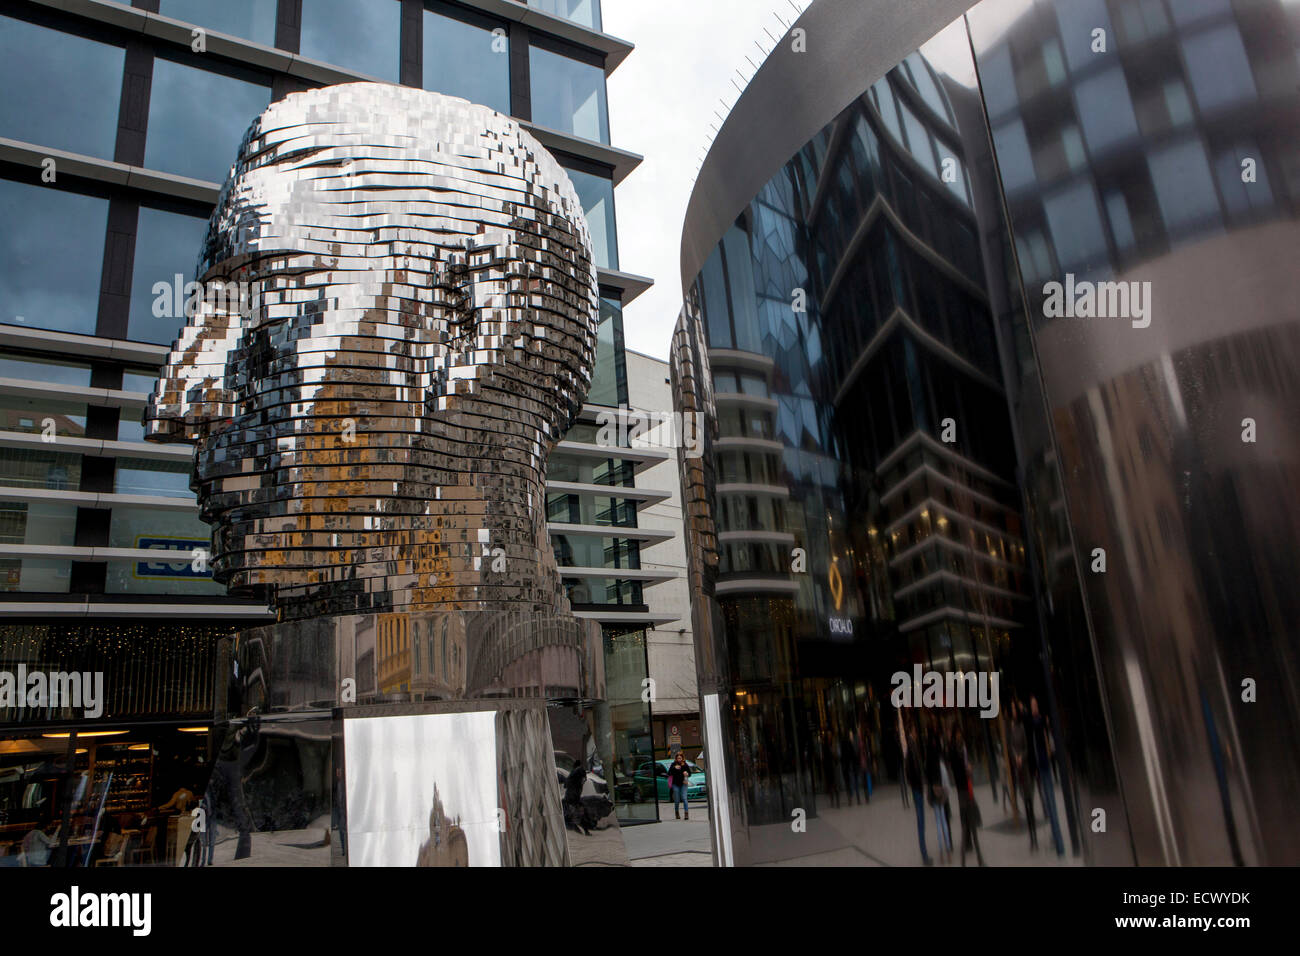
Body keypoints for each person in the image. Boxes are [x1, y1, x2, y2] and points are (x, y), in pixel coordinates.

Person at [1028, 696, 1065, 856]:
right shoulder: (1034, 722)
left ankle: (1058, 841)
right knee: (1047, 804)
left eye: (1035, 704)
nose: (1034, 708)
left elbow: (1042, 737)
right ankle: (1055, 837)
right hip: (1039, 765)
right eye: (1032, 705)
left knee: (1050, 802)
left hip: (1044, 764)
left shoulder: (1039, 721)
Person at [949, 726, 985, 866]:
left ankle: (974, 860)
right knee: (969, 829)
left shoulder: (957, 752)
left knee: (967, 828)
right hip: (965, 793)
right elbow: (960, 774)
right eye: (959, 735)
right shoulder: (957, 753)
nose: (960, 738)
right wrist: (967, 770)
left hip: (963, 792)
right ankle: (977, 860)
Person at [1009, 699, 1037, 851]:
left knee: (1029, 801)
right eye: (1012, 708)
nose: (1013, 711)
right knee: (1025, 802)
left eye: (1014, 708)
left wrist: (1022, 757)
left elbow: (1027, 747)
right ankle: (1032, 837)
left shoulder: (1022, 728)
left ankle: (1034, 836)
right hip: (1019, 769)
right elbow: (1011, 747)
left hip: (1025, 768)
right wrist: (1015, 757)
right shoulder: (1012, 729)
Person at [924, 728, 952, 863]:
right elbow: (945, 780)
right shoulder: (939, 762)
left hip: (934, 795)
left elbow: (927, 780)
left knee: (938, 822)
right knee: (944, 822)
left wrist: (930, 791)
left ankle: (941, 852)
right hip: (941, 793)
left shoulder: (927, 762)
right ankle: (948, 852)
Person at [903, 725, 930, 865]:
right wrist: (918, 784)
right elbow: (913, 769)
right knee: (921, 821)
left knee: (921, 821)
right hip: (917, 788)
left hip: (916, 788)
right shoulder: (912, 748)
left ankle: (924, 852)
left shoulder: (911, 747)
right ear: (912, 732)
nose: (917, 733)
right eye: (915, 730)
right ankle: (924, 854)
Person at [666, 752, 691, 820]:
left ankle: (686, 814)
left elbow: (690, 773)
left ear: (682, 758)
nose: (679, 759)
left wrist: (687, 773)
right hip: (675, 784)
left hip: (683, 783)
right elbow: (669, 773)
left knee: (684, 798)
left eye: (680, 758)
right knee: (677, 800)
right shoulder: (673, 764)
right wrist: (674, 768)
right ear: (676, 759)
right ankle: (677, 812)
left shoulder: (685, 765)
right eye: (678, 758)